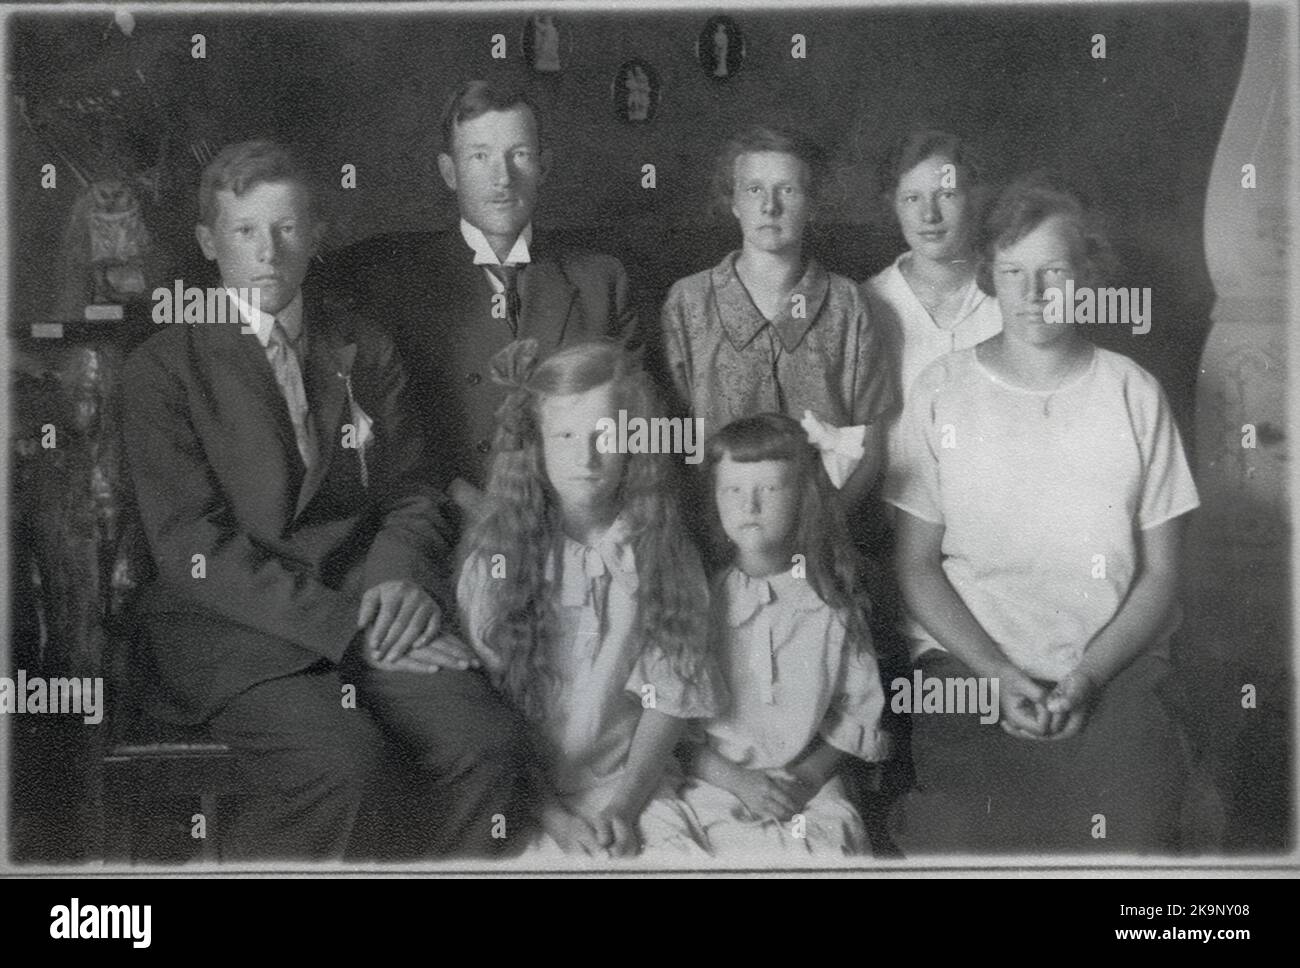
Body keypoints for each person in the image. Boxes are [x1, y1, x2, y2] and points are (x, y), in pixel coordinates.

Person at [121, 140, 531, 860]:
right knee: (347, 766)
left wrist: (398, 585)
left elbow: (412, 492)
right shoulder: (163, 368)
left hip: (368, 604)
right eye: (245, 231)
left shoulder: (362, 347)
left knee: (487, 743)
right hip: (236, 631)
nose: (268, 252)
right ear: (209, 243)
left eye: (287, 228)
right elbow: (192, 551)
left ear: (316, 236)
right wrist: (346, 627)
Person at [883, 174, 1199, 853]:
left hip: (1113, 667)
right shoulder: (942, 390)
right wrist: (997, 674)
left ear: (1086, 273)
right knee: (966, 839)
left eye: (1053, 271)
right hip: (967, 668)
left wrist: (1087, 676)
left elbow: (1162, 575)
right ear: (990, 276)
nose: (1033, 292)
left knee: (1134, 838)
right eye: (1012, 272)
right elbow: (916, 567)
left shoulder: (1133, 393)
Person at [457, 339, 725, 858]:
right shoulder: (496, 560)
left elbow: (671, 696)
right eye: (565, 435)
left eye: (606, 434)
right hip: (520, 793)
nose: (586, 457)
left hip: (633, 785)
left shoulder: (660, 550)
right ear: (537, 444)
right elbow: (481, 713)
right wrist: (552, 816)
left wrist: (623, 807)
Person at [329, 81, 637, 514]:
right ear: (449, 172)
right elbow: (391, 441)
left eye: (519, 155)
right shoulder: (397, 287)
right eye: (480, 156)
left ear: (544, 167)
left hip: (582, 518)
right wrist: (466, 502)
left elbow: (639, 425)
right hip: (453, 522)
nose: (502, 178)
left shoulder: (601, 280)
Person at [681, 414, 888, 857]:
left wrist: (808, 778)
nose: (750, 506)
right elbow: (673, 726)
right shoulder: (697, 600)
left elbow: (857, 711)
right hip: (712, 783)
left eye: (771, 489)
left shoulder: (831, 601)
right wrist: (739, 782)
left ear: (804, 498)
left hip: (807, 784)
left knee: (824, 849)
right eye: (733, 490)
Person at [661, 125, 895, 514]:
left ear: (812, 204)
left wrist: (824, 527)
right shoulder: (688, 303)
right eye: (754, 190)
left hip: (828, 521)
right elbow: (674, 436)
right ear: (734, 202)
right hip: (717, 527)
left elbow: (869, 446)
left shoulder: (847, 304)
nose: (769, 206)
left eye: (787, 190)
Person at [862, 128, 1002, 474]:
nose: (929, 215)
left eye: (947, 195)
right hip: (892, 501)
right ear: (893, 205)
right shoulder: (866, 304)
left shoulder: (1011, 295)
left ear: (974, 199)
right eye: (912, 198)